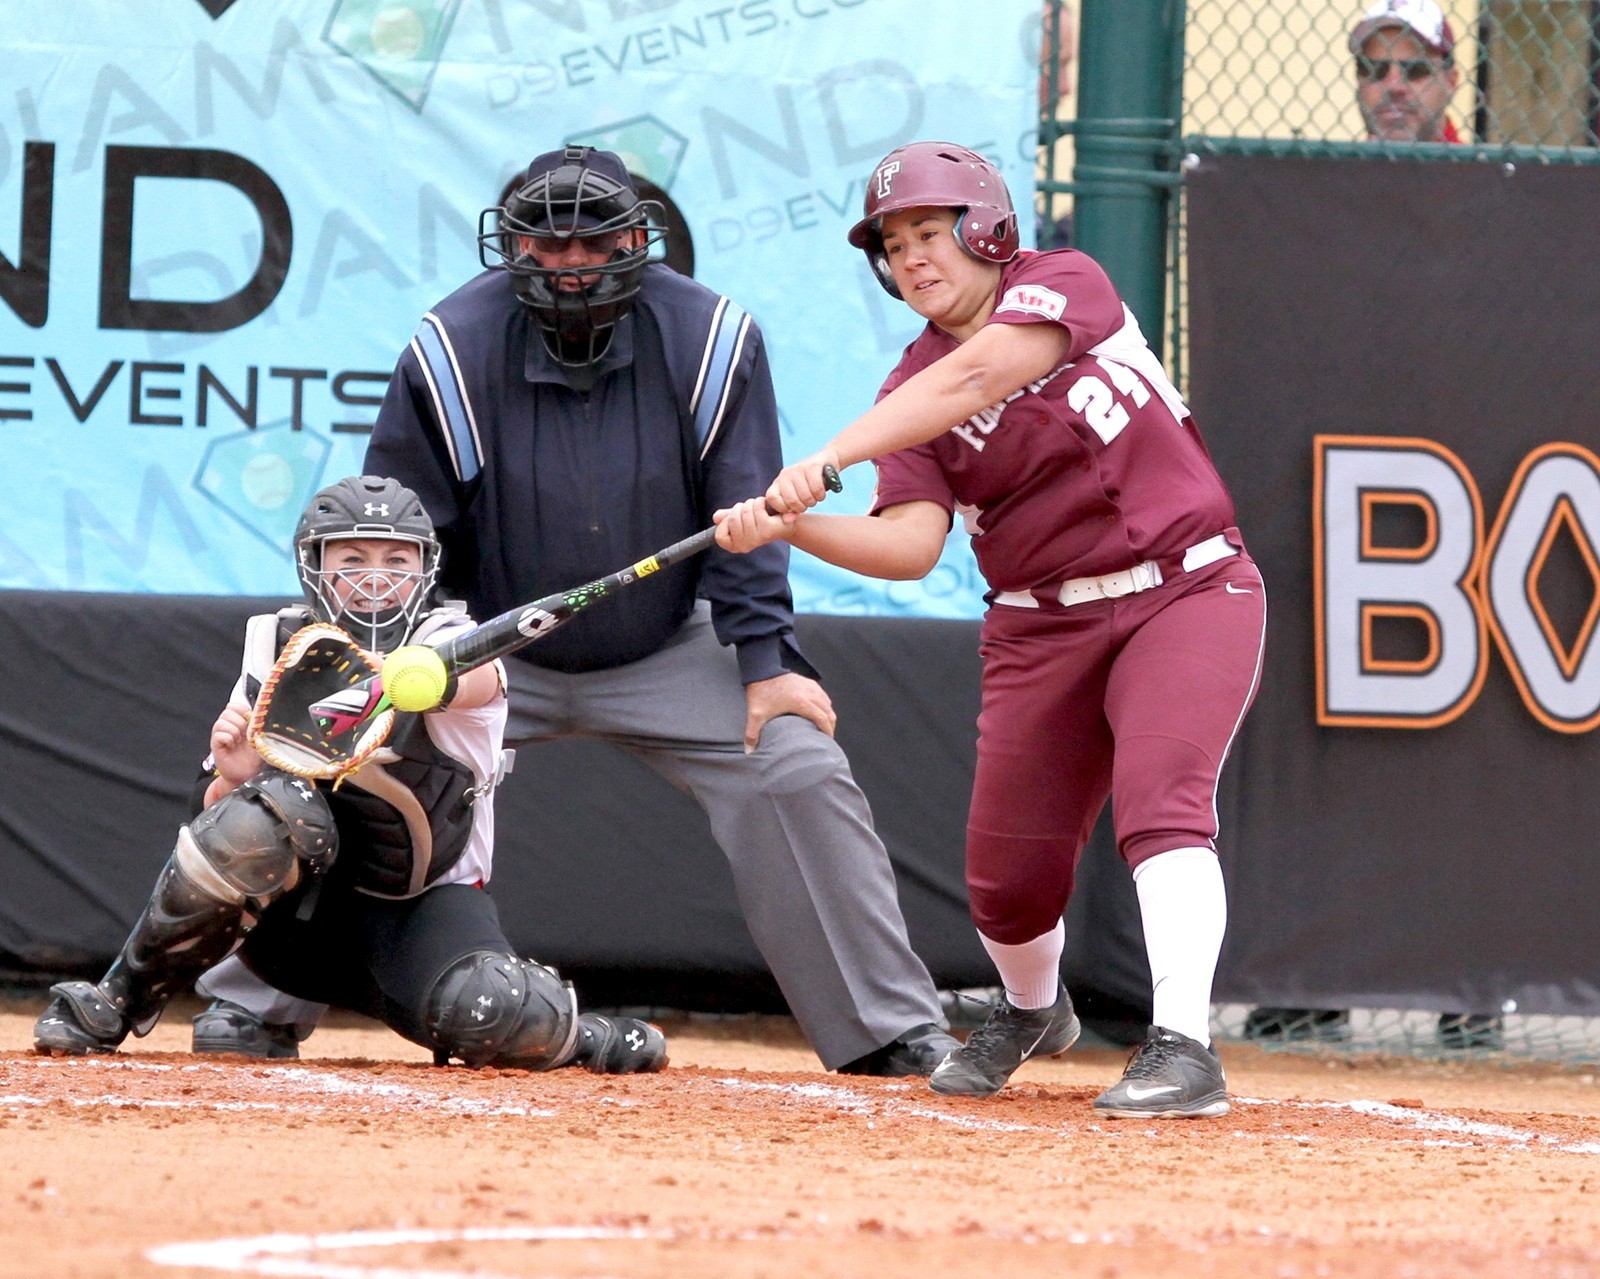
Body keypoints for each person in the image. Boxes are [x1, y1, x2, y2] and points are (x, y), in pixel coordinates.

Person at [205, 145, 953, 1079]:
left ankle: (887, 1028)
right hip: (478, 646)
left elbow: (749, 517)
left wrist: (769, 662)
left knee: (797, 763)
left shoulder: (712, 335)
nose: (567, 265)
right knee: (338, 747)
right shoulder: (449, 345)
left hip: (668, 640)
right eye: (542, 246)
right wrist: (391, 676)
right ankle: (253, 999)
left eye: (590, 244)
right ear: (509, 247)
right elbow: (399, 540)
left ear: (637, 241)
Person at [714, 141, 1267, 1117]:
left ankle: (1184, 1043)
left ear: (986, 227)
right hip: (1039, 623)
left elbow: (978, 378)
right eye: (894, 243)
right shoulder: (904, 391)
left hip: (1184, 589)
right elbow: (909, 545)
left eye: (930, 232)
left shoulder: (1063, 283)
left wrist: (829, 455)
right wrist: (790, 522)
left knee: (1160, 798)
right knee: (1005, 876)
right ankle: (1028, 1010)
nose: (913, 258)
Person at [34, 475, 666, 1075]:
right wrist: (233, 777)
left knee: (493, 1011)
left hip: (418, 916)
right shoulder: (280, 645)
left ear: (425, 571)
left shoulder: (457, 641)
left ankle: (584, 1034)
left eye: (397, 562)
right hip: (295, 926)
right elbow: (208, 815)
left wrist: (424, 676)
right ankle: (122, 998)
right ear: (316, 568)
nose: (374, 581)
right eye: (352, 560)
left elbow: (485, 683)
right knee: (259, 816)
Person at [1351, 0, 1463, 143]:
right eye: (1375, 69)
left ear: (1451, 82)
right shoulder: (1335, 164)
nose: (1394, 86)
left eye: (1415, 70)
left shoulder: (1477, 165)